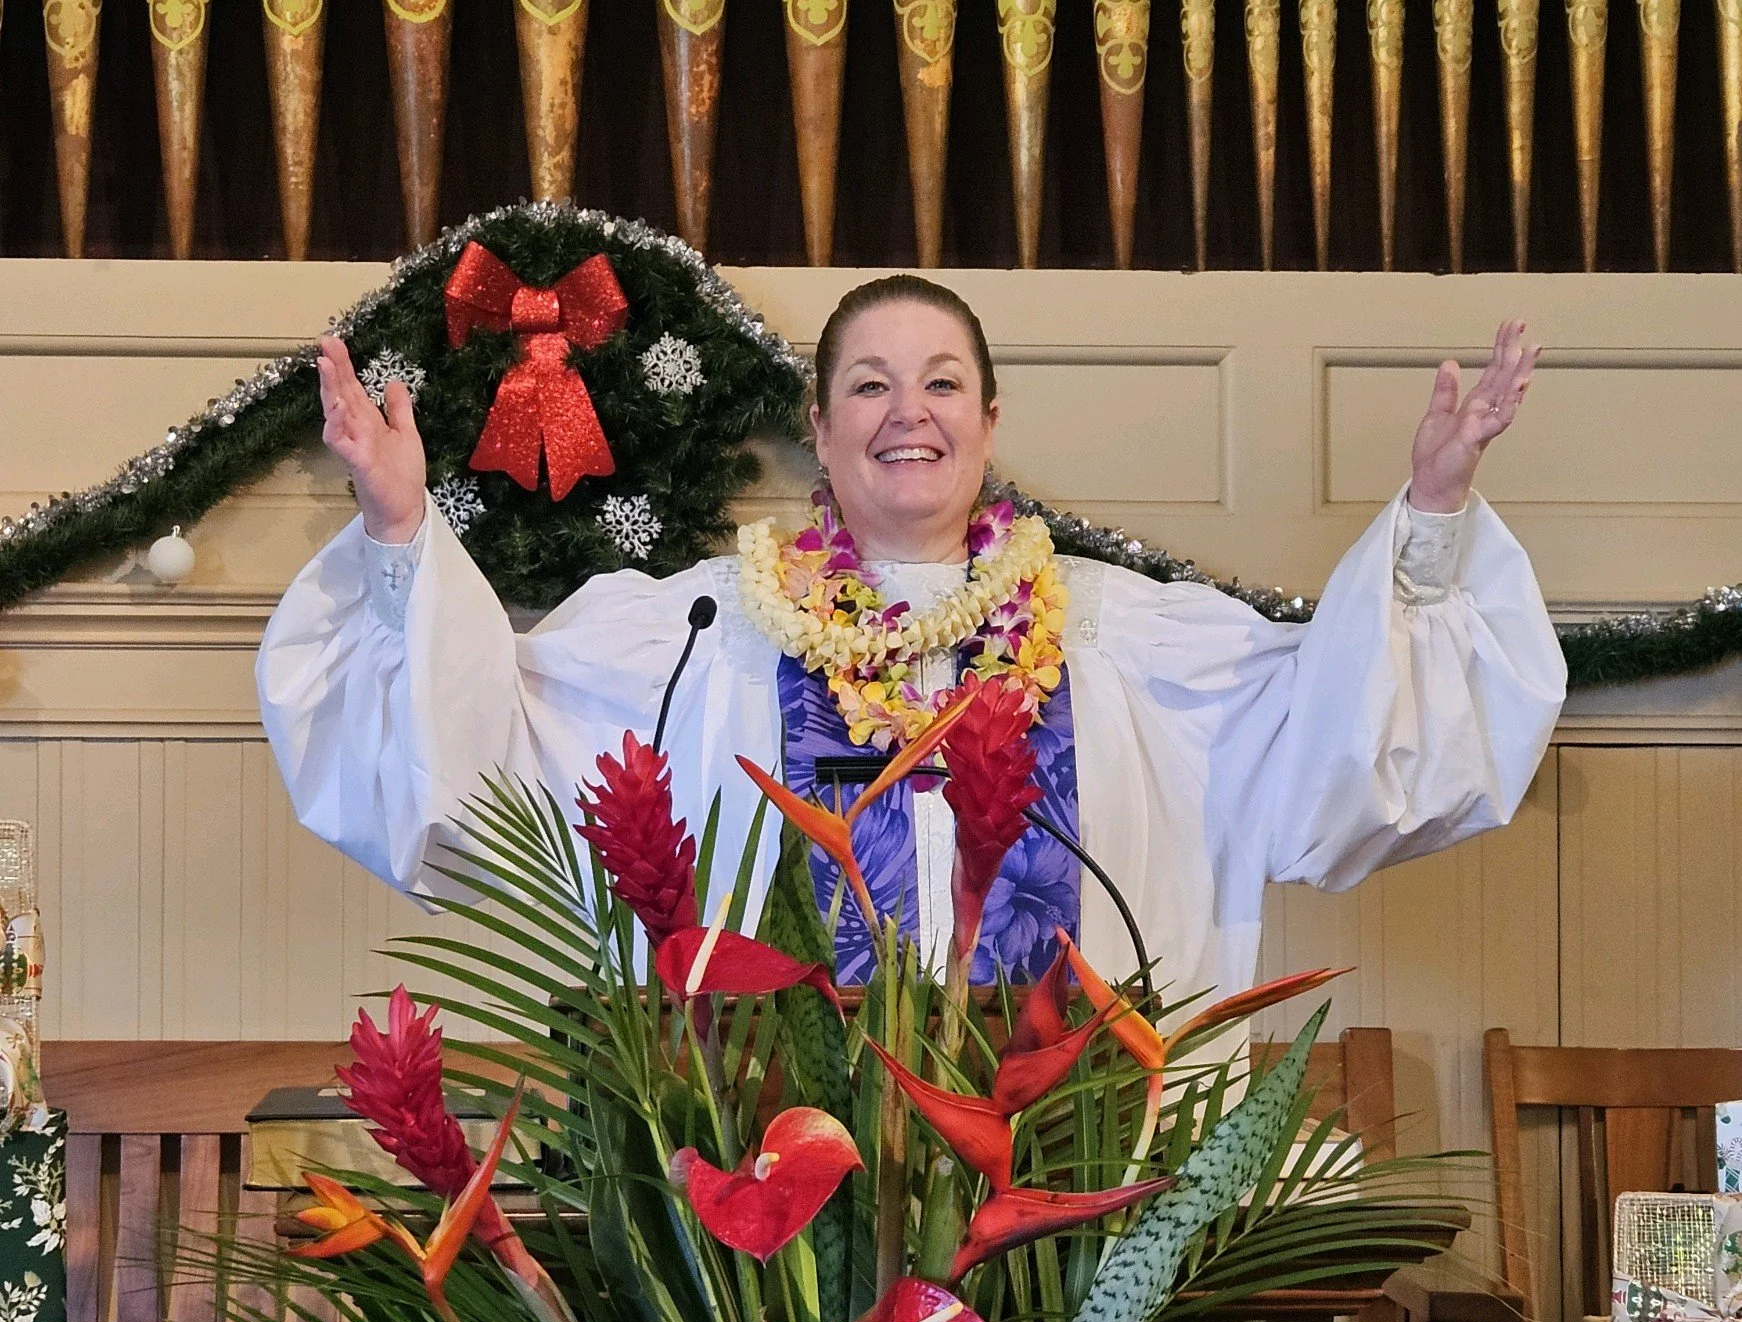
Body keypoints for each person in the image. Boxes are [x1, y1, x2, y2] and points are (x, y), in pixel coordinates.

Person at [258, 275, 1564, 999]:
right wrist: (396, 527)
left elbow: (1333, 750)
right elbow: (480, 746)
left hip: (1068, 1174)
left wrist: (1433, 515)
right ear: (821, 432)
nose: (908, 410)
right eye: (868, 384)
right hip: (777, 1204)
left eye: (941, 381)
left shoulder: (1116, 634)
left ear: (988, 420)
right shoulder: (702, 632)